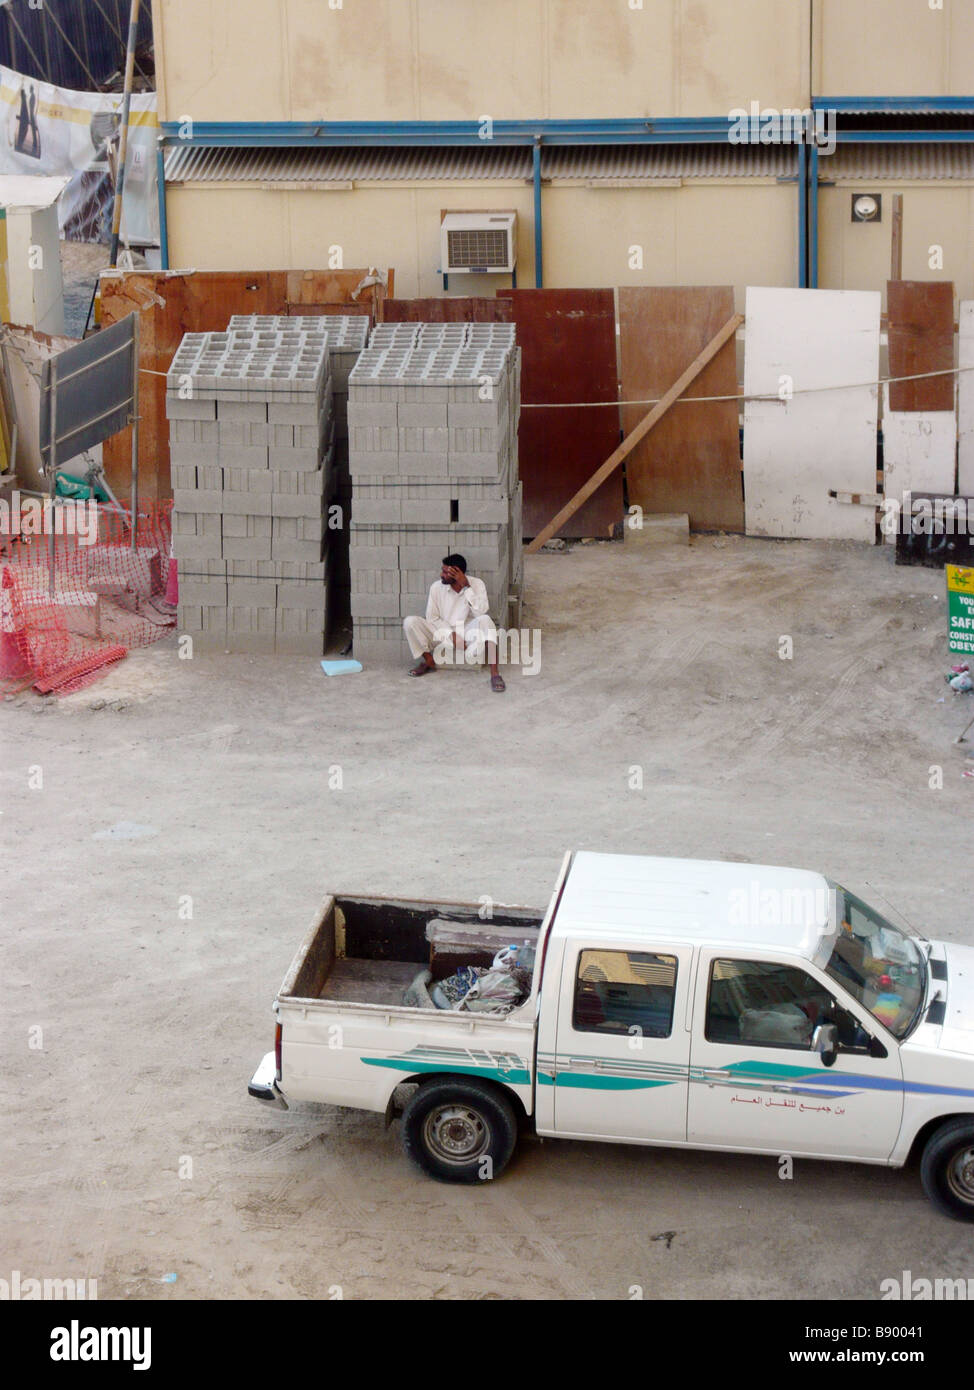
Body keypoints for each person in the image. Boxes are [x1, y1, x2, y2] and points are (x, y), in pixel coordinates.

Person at [404, 554, 506, 692]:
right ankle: (428, 661)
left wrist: (467, 588)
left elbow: (481, 612)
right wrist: (451, 635)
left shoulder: (477, 584)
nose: (442, 574)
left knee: (486, 621)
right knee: (410, 622)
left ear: (458, 573)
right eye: (443, 570)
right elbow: (432, 618)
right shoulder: (436, 587)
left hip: (467, 632)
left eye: (446, 572)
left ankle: (495, 673)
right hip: (442, 632)